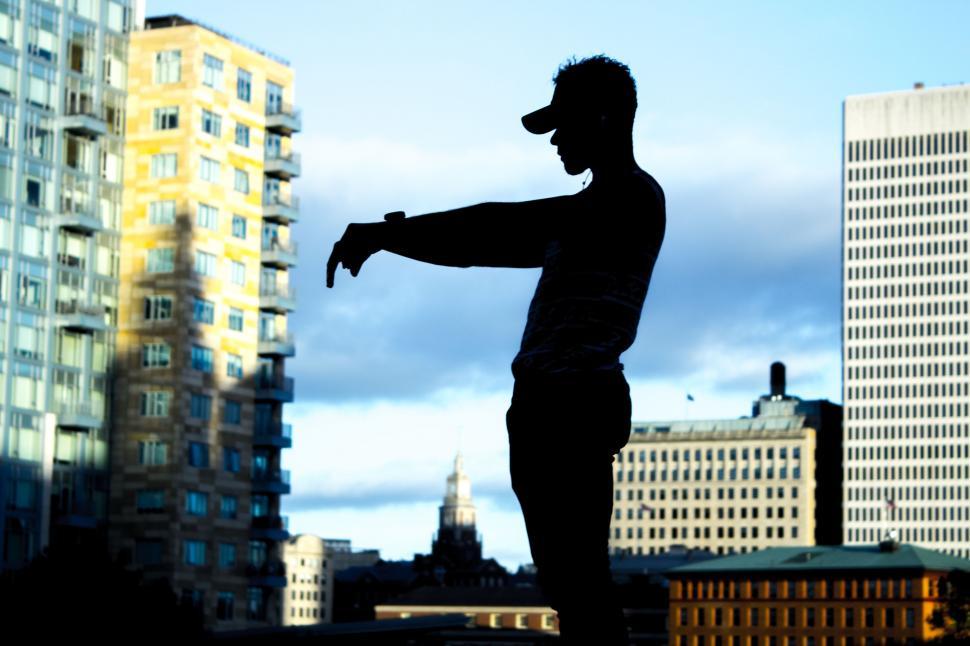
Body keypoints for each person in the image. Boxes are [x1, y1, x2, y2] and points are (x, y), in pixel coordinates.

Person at [327, 55, 665, 644]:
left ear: (605, 120)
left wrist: (388, 235)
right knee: (571, 585)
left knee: (580, 584)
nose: (556, 139)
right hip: (554, 404)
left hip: (570, 404)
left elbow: (491, 229)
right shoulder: (599, 207)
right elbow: (482, 241)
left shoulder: (625, 201)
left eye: (566, 123)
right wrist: (394, 237)